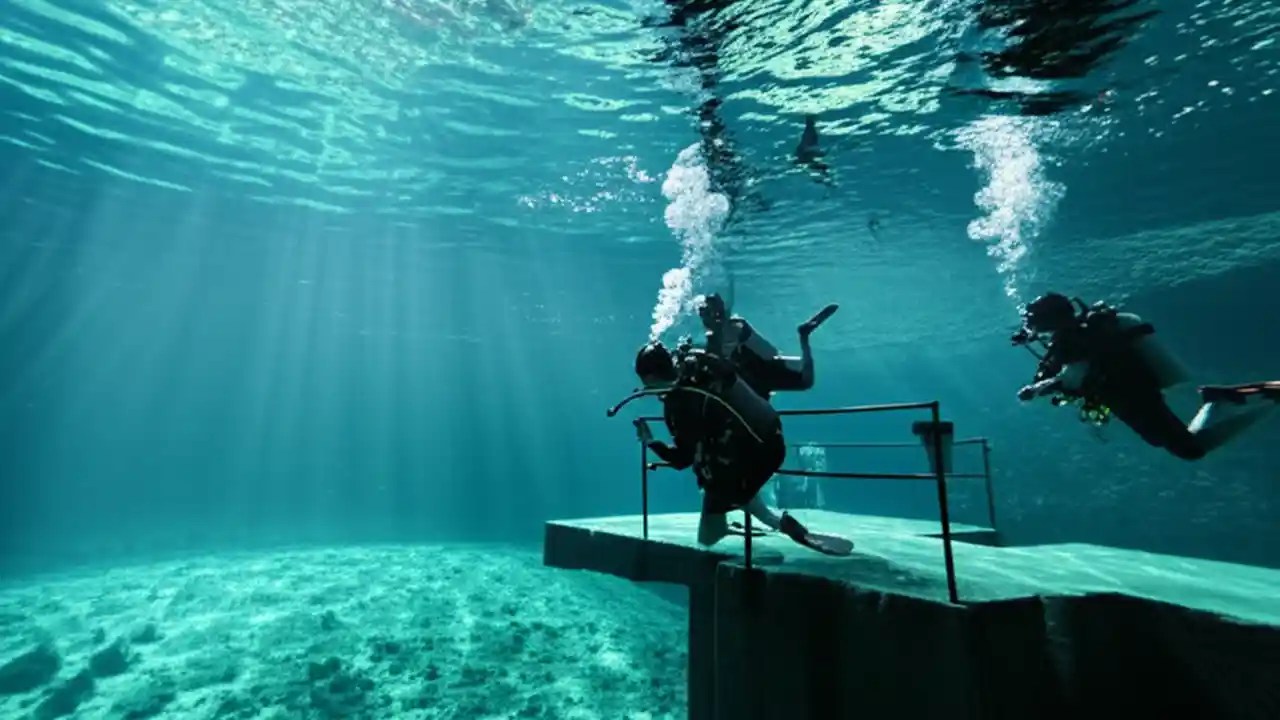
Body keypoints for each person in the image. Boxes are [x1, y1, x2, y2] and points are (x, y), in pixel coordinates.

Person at [630, 340, 852, 555]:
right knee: (731, 481)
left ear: (650, 377)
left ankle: (738, 530)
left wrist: (650, 441)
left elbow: (681, 460)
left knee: (707, 538)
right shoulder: (696, 364)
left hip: (748, 461)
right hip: (771, 443)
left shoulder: (680, 404)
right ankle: (776, 522)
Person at [1012, 292, 1279, 460]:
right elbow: (1059, 370)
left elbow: (1072, 374)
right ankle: (1220, 401)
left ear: (1050, 319)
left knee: (1190, 449)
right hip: (1126, 396)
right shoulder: (1073, 336)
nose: (1032, 327)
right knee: (1172, 443)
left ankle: (1262, 399)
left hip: (1132, 395)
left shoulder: (1080, 338)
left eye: (1035, 321)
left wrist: (1037, 389)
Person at [697, 287, 839, 400]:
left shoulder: (734, 328)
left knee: (806, 381)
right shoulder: (730, 329)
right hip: (757, 367)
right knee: (805, 381)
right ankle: (804, 336)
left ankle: (804, 335)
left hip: (760, 366)